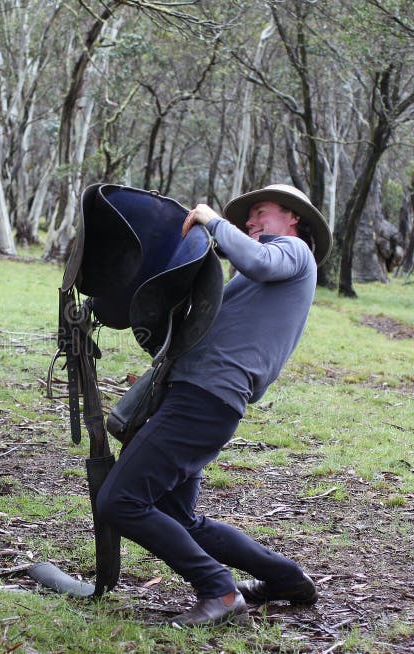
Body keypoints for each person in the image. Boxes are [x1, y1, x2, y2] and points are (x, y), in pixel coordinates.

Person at [95, 184, 332, 626]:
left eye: (261, 212)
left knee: (120, 500)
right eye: (249, 218)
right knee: (178, 516)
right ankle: (285, 578)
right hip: (202, 394)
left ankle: (219, 591)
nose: (252, 222)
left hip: (206, 397)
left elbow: (256, 258)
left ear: (293, 216)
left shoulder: (294, 252)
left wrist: (212, 219)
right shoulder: (266, 274)